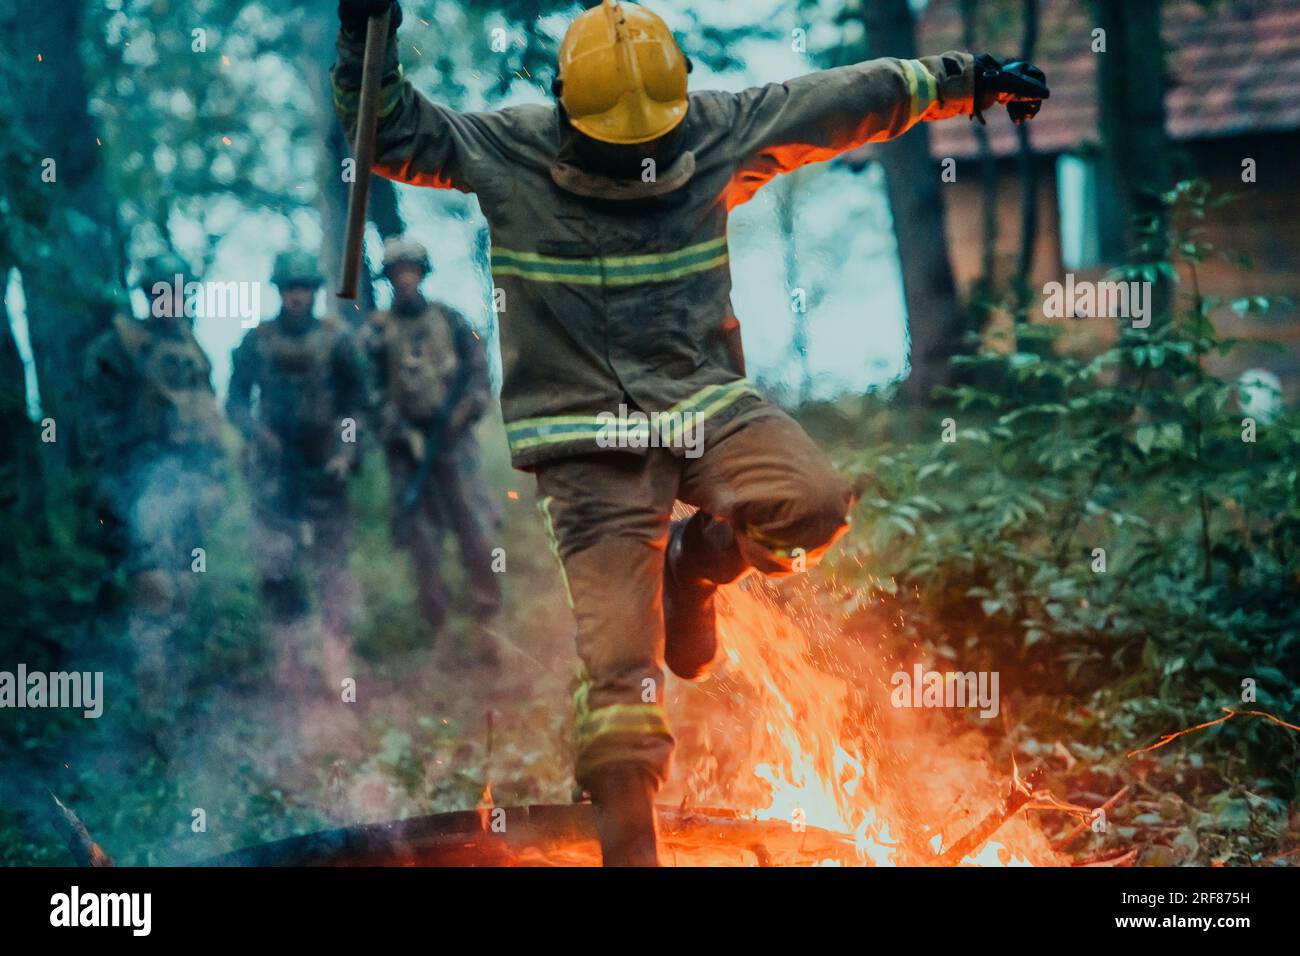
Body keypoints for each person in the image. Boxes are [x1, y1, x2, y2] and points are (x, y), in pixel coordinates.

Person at [332, 0, 1048, 864]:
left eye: (652, 141)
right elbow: (393, 132)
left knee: (812, 505)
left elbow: (841, 102)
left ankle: (694, 565)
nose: (641, 158)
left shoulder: (718, 131)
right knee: (623, 689)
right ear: (563, 108)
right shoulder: (504, 148)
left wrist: (961, 82)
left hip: (704, 404)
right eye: (617, 143)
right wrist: (360, 34)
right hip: (585, 444)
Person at [82, 254, 227, 712]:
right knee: (154, 593)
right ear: (148, 295)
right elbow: (96, 429)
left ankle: (177, 692)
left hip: (188, 489)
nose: (172, 300)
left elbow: (209, 419)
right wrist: (114, 490)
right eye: (162, 291)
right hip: (137, 490)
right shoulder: (115, 348)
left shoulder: (192, 349)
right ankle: (153, 709)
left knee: (183, 592)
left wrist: (215, 476)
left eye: (179, 291)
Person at [227, 250, 369, 692]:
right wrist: (256, 433)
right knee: (277, 565)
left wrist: (347, 451)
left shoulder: (337, 339)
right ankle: (289, 655)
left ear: (313, 291)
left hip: (324, 467)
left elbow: (359, 403)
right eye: (290, 288)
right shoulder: (257, 341)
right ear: (279, 291)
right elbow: (234, 401)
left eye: (304, 288)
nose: (297, 297)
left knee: (332, 567)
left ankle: (336, 657)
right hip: (275, 471)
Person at [363, 236, 503, 645]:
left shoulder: (452, 320)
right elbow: (370, 393)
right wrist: (402, 433)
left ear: (422, 274)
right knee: (422, 540)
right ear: (389, 278)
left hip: (455, 443)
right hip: (407, 452)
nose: (404, 279)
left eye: (411, 271)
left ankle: (490, 622)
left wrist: (463, 413)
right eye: (396, 273)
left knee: (476, 530)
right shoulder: (377, 331)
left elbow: (480, 375)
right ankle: (437, 628)